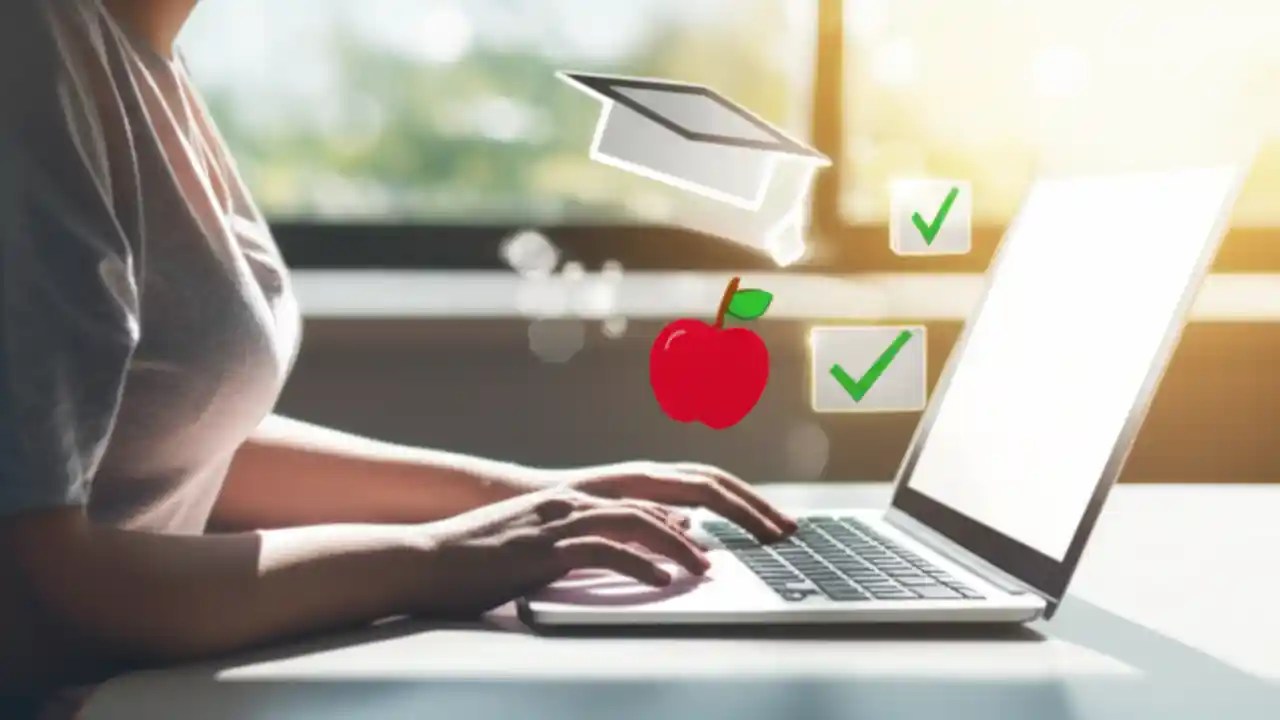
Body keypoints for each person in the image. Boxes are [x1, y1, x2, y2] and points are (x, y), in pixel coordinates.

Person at [0, 0, 798, 709]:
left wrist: (533, 499)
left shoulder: (136, 46)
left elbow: (160, 447)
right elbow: (45, 586)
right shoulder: (33, 44)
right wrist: (437, 557)